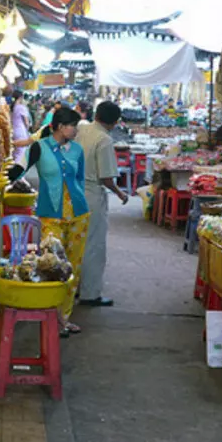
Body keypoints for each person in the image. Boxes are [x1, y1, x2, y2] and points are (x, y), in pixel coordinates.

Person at [7, 107, 89, 334]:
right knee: (51, 265)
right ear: (61, 127)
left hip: (79, 214)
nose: (76, 130)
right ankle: (51, 316)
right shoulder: (38, 148)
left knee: (73, 266)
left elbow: (80, 180)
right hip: (49, 214)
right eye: (73, 125)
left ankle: (64, 317)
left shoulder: (77, 150)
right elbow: (17, 171)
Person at [77, 101, 129, 307]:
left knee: (75, 242)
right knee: (92, 246)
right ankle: (90, 294)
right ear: (115, 122)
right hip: (91, 196)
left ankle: (73, 288)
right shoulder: (104, 139)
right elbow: (107, 177)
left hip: (71, 192)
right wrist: (120, 193)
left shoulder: (80, 129)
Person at [10, 90, 32, 162]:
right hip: (21, 131)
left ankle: (13, 167)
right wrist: (28, 129)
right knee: (21, 152)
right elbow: (26, 122)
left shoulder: (12, 107)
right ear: (21, 97)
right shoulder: (21, 107)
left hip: (14, 131)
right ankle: (17, 169)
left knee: (15, 151)